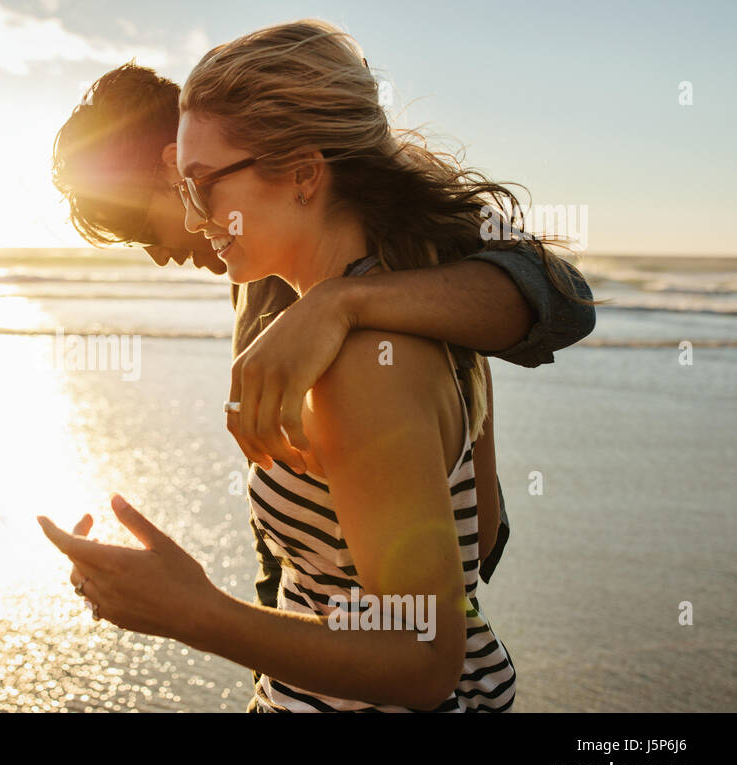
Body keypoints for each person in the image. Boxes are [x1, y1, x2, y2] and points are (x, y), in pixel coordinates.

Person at [41, 19, 592, 712]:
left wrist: (196, 612)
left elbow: (562, 297)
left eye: (194, 186)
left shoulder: (363, 330)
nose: (168, 242)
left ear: (303, 174)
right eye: (188, 188)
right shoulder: (282, 262)